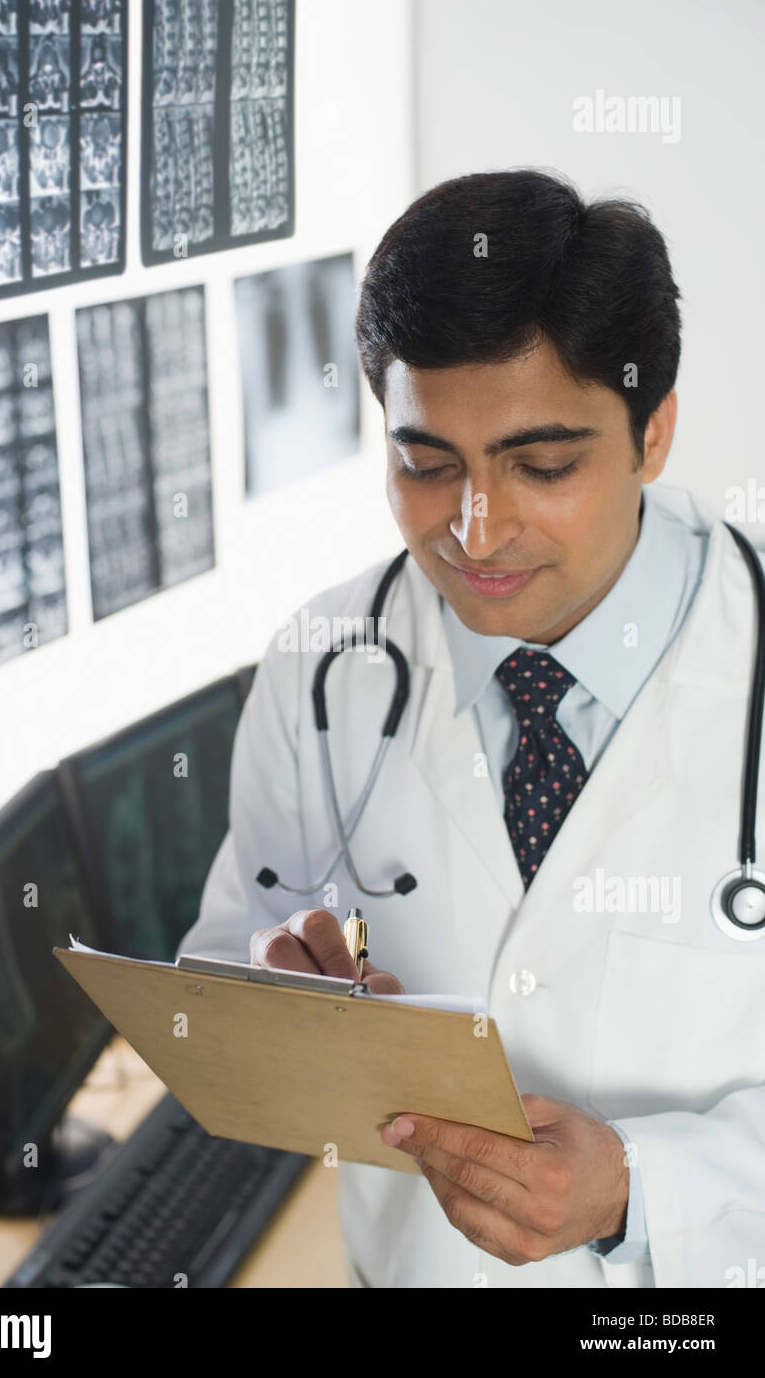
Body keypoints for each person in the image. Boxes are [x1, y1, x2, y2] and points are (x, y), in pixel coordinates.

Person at [178, 169, 765, 1288]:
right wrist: (278, 1008)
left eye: (542, 465)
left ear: (653, 434)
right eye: (425, 465)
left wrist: (642, 1185)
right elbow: (228, 968)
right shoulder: (322, 668)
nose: (475, 531)